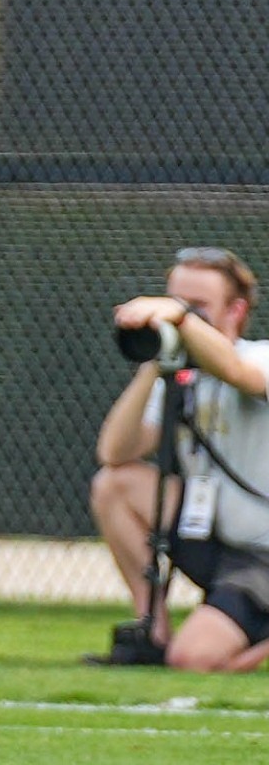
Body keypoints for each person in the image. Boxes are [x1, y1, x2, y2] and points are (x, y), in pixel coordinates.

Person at [89, 248, 269, 672]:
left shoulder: (258, 356)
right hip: (211, 537)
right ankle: (153, 629)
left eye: (198, 307)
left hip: (261, 556)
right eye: (175, 301)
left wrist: (179, 320)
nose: (180, 316)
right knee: (113, 485)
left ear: (236, 311)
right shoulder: (180, 377)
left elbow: (237, 374)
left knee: (192, 659)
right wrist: (156, 360)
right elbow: (114, 452)